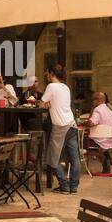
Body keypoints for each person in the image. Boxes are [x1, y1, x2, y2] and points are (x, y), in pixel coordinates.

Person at [42, 65, 79, 193]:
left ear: (52, 74)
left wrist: (44, 103)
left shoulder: (51, 87)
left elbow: (42, 103)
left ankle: (64, 185)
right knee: (75, 159)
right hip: (72, 125)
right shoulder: (66, 87)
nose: (46, 76)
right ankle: (73, 187)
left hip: (60, 127)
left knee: (53, 158)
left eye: (47, 73)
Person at [85, 91, 112, 174]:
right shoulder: (109, 110)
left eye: (92, 100)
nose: (92, 102)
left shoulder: (97, 110)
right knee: (93, 138)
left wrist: (85, 122)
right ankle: (106, 158)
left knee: (79, 141)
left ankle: (103, 158)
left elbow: (91, 123)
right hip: (110, 140)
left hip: (100, 141)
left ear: (98, 100)